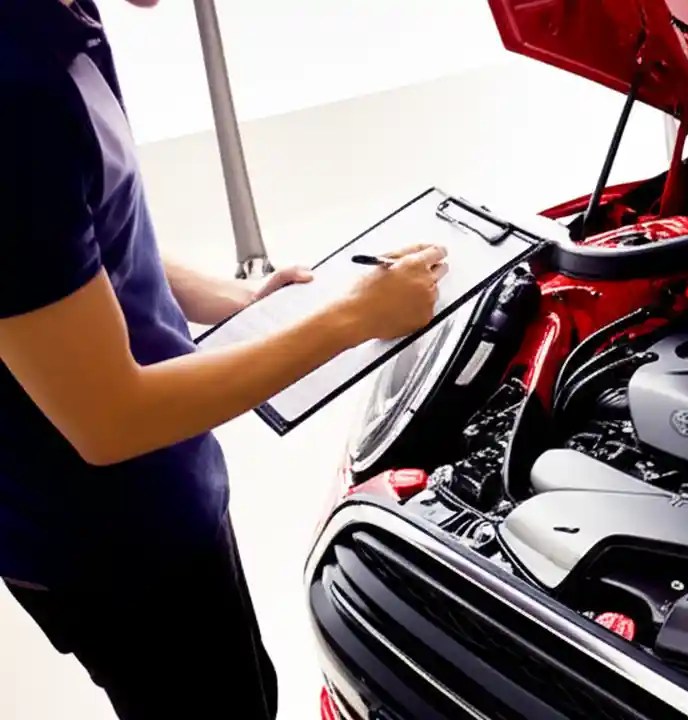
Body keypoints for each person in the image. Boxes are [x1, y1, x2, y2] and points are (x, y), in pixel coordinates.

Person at [0, 0, 449, 717]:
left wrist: (240, 302)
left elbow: (91, 236)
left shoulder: (59, 19)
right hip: (110, 543)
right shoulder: (14, 98)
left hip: (158, 497)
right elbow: (109, 419)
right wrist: (353, 317)